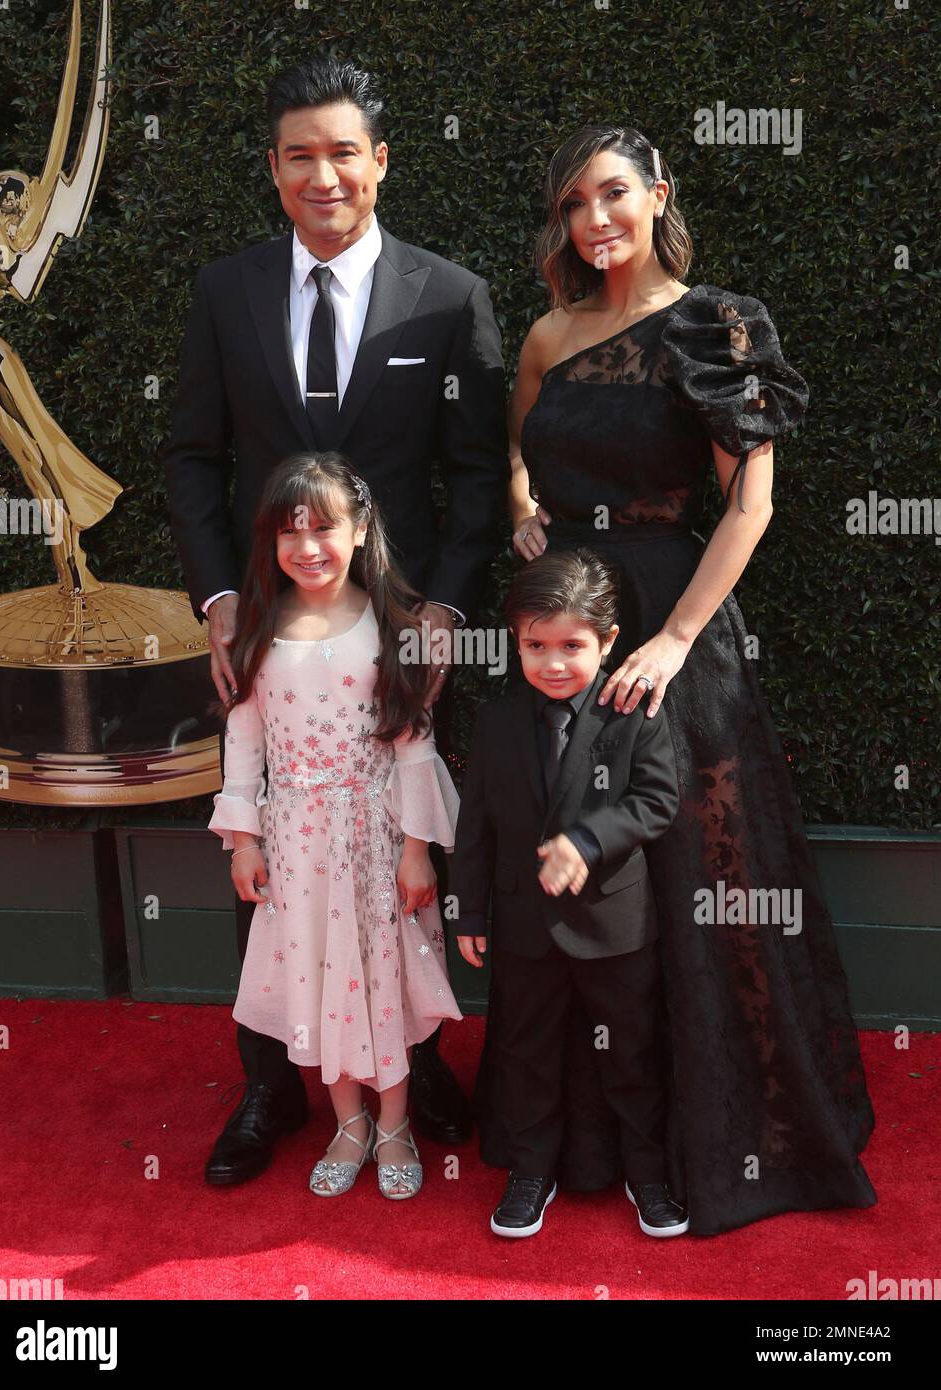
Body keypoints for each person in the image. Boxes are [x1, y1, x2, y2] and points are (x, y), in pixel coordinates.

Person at [485, 123, 877, 1236]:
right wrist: (524, 517)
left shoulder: (722, 324)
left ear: (659, 193)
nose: (595, 220)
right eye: (572, 204)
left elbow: (749, 505)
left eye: (613, 194)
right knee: (574, 868)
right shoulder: (550, 332)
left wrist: (671, 641)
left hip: (676, 619)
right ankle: (578, 1142)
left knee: (699, 877)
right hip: (567, 629)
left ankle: (711, 1138)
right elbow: (518, 452)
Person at [161, 55, 508, 1183]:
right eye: (299, 155)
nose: (324, 174)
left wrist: (447, 606)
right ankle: (272, 1081)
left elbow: (475, 477)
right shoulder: (226, 292)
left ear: (381, 162)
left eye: (343, 152)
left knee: (402, 858)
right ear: (273, 169)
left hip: (397, 646)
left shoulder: (451, 297)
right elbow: (193, 457)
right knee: (268, 859)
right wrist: (221, 601)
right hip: (271, 637)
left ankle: (418, 1059)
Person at [208, 452, 463, 1199]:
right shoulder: (258, 625)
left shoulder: (393, 622)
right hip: (295, 846)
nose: (307, 546)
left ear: (360, 531)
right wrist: (246, 837)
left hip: (376, 842)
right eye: (289, 532)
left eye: (324, 527)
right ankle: (346, 1123)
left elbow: (415, 747)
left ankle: (394, 1122)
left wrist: (417, 852)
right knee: (318, 977)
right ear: (269, 542)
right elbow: (244, 742)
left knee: (382, 978)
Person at [452, 550, 685, 1238]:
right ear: (514, 643)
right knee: (526, 1053)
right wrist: (466, 908)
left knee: (631, 1053)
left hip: (615, 926)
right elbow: (475, 827)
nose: (553, 663)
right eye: (535, 646)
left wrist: (586, 842)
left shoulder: (634, 711)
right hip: (524, 928)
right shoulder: (494, 725)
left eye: (572, 647)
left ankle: (646, 1174)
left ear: (608, 642)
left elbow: (657, 799)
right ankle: (531, 1171)